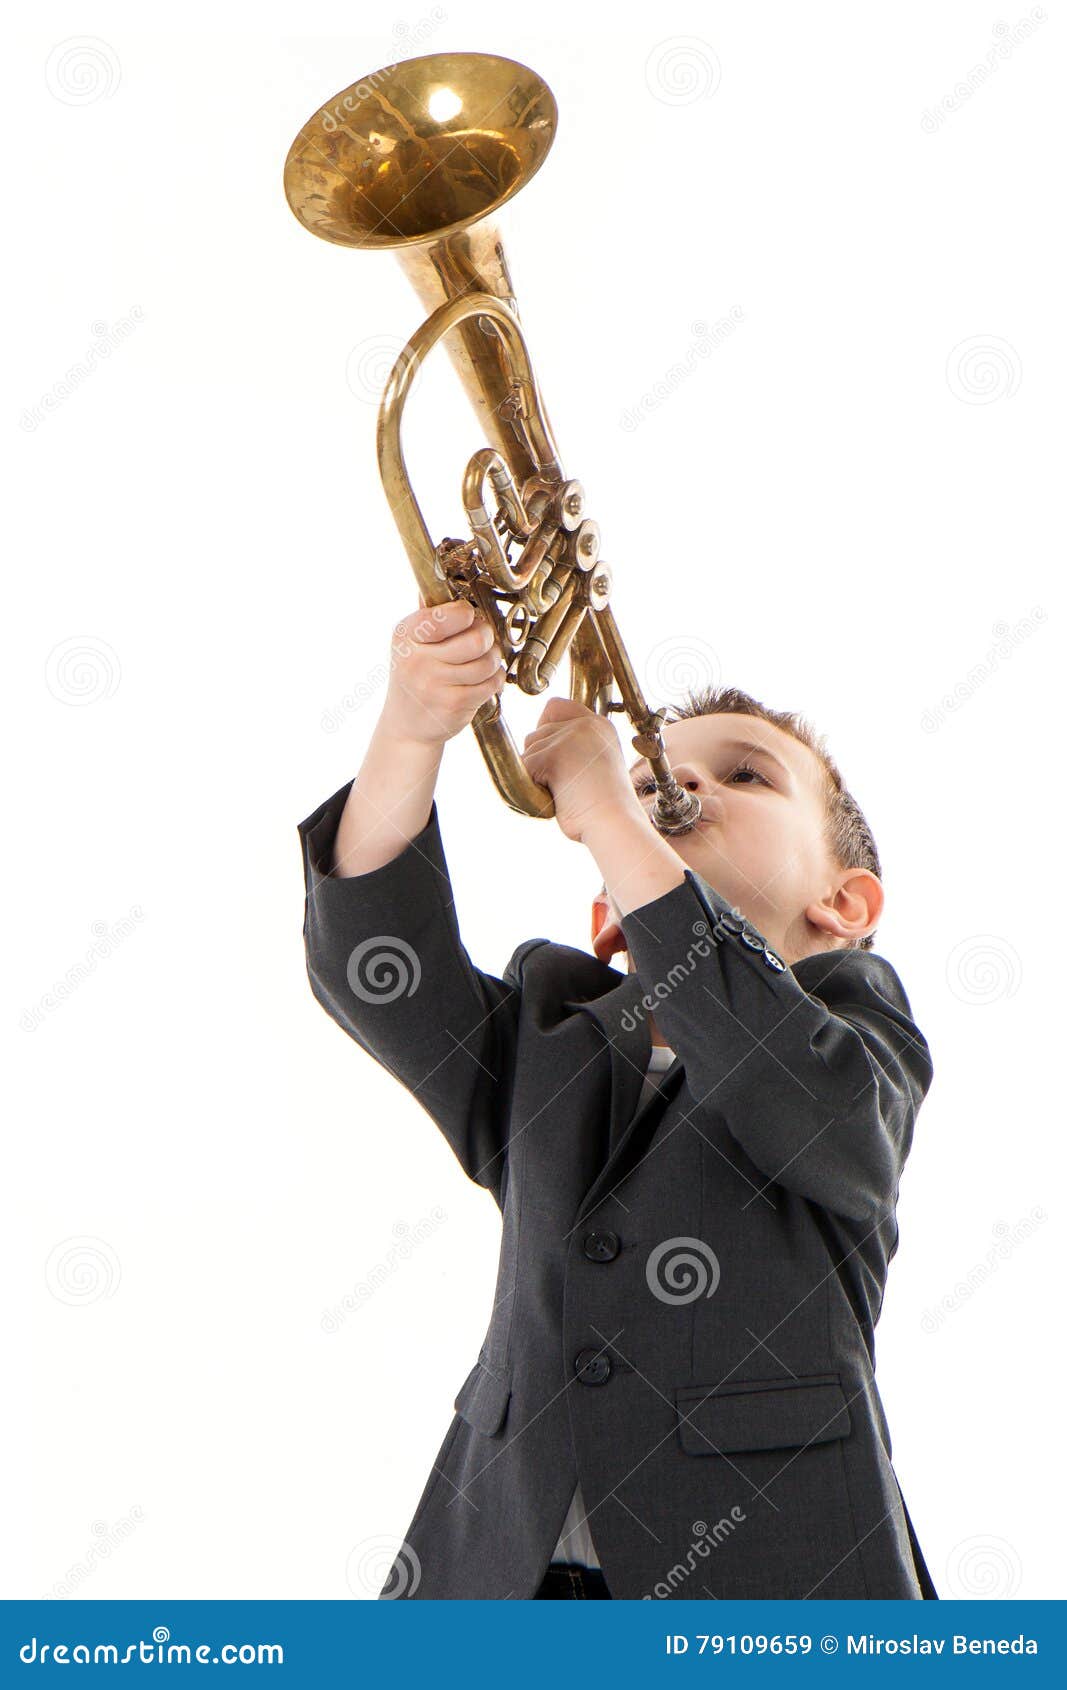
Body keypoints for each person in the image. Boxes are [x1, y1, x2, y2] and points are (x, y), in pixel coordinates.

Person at [296, 597, 938, 1599]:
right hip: (496, 1578)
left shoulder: (857, 1026)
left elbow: (787, 1085)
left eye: (742, 774)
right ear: (608, 920)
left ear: (841, 905)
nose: (674, 782)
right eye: (646, 779)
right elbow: (377, 969)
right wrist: (410, 728)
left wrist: (608, 809)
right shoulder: (551, 1029)